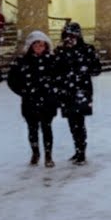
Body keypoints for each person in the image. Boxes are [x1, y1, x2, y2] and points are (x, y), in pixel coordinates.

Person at [7, 30, 59, 167]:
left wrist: (54, 92)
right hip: (30, 102)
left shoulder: (52, 61)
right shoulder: (22, 62)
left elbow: (59, 79)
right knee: (32, 129)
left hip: (47, 102)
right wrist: (24, 91)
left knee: (47, 129)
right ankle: (35, 153)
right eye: (36, 45)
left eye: (42, 45)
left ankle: (48, 155)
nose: (39, 48)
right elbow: (12, 80)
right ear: (31, 46)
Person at [55, 21, 102, 165]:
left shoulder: (87, 49)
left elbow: (96, 69)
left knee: (79, 122)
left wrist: (84, 68)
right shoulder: (60, 51)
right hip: (67, 92)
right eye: (67, 36)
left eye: (73, 36)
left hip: (82, 91)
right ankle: (77, 150)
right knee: (71, 122)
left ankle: (81, 151)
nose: (70, 39)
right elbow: (55, 71)